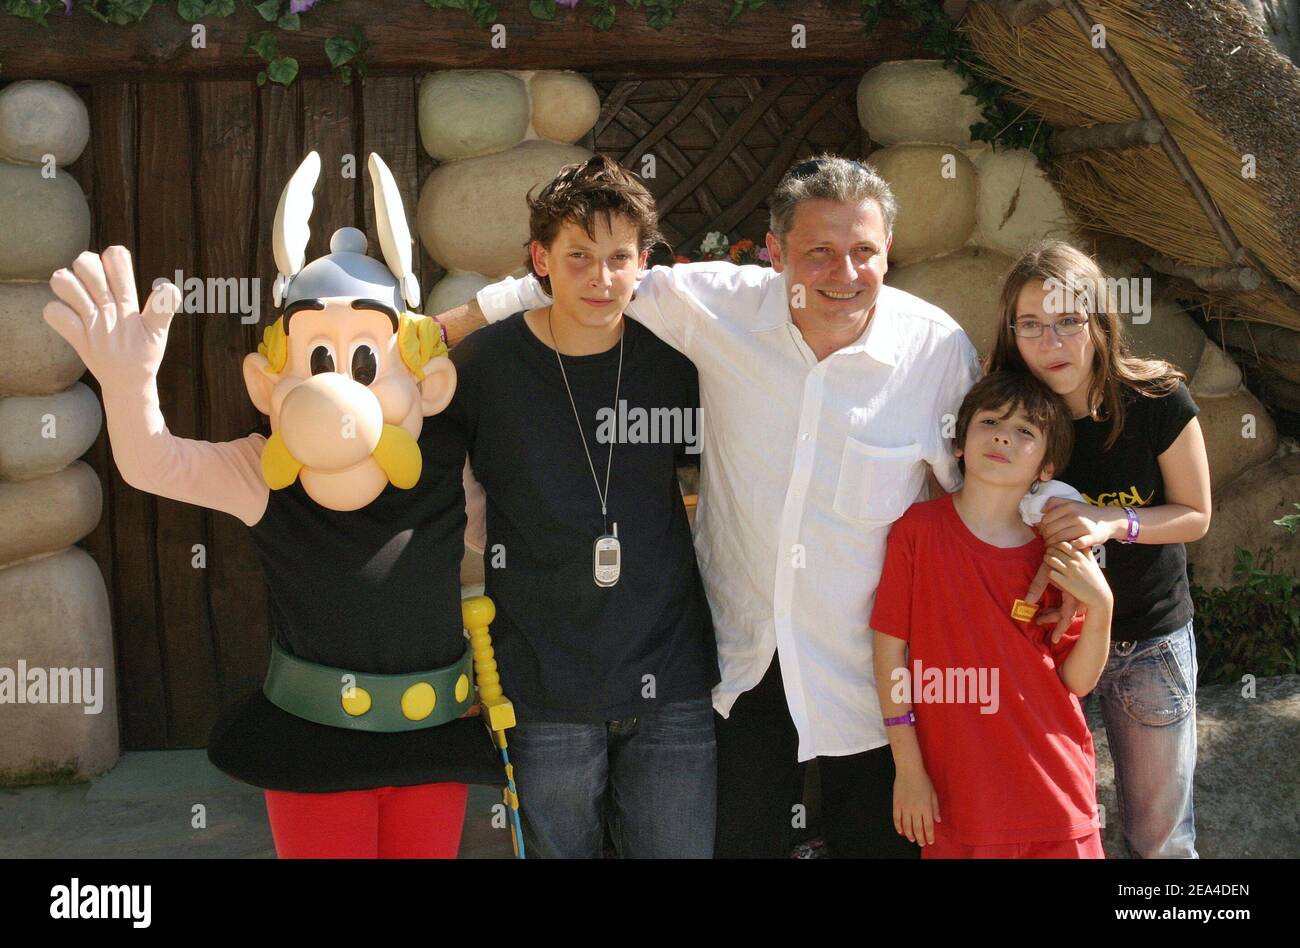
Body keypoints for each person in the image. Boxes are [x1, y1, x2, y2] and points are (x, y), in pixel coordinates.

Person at [438, 154, 1021, 857]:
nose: (846, 273)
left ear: (888, 250)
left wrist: (1062, 521)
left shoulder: (934, 352)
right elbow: (591, 279)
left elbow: (984, 489)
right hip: (743, 671)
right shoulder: (718, 308)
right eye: (819, 252)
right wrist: (419, 334)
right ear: (775, 254)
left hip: (874, 679)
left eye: (865, 250)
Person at [41, 152, 508, 859]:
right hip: (311, 746)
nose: (339, 387)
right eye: (319, 359)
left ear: (427, 385)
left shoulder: (447, 459)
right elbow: (152, 463)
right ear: (269, 382)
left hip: (430, 738)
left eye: (364, 361)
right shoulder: (261, 468)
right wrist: (127, 382)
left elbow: (515, 530)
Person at [444, 155, 719, 858]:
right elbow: (393, 388)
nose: (601, 279)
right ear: (540, 259)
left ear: (643, 261)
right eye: (578, 257)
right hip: (543, 686)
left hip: (672, 678)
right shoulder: (486, 366)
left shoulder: (674, 360)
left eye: (618, 258)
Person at [993, 240, 1211, 858]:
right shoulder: (1005, 415)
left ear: (1099, 320)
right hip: (1044, 650)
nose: (1051, 342)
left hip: (1148, 642)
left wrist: (1112, 522)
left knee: (1160, 838)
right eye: (1031, 326)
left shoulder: (1157, 399)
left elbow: (1196, 515)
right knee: (1054, 827)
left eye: (1068, 321)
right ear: (1011, 333)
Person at [871, 370, 1112, 858]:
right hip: (958, 804)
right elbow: (889, 649)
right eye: (990, 421)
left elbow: (1077, 681)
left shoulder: (1056, 553)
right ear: (959, 443)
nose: (1003, 434)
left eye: (1026, 431)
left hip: (1056, 797)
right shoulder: (917, 531)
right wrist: (908, 767)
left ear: (1047, 467)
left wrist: (1102, 606)